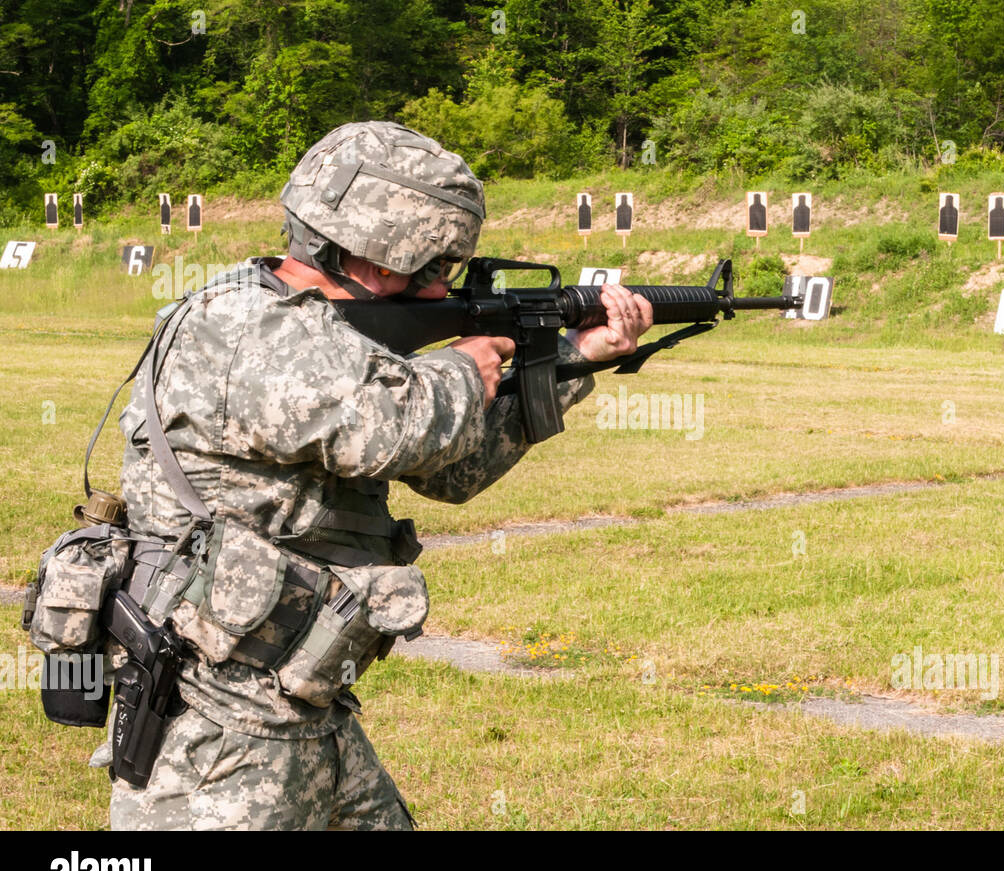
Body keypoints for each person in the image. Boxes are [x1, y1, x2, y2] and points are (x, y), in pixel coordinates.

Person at [107, 121, 652, 829]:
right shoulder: (244, 324)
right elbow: (389, 431)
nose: (441, 283)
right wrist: (465, 365)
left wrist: (575, 359)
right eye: (435, 265)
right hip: (215, 729)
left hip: (305, 707)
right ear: (384, 248)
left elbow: (446, 468)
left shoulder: (327, 333)